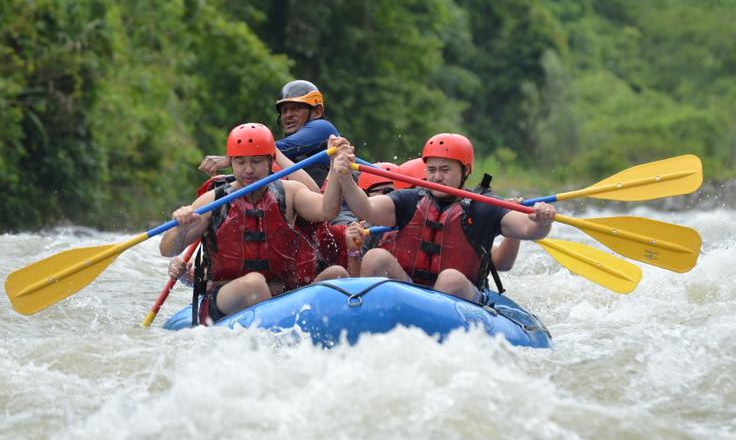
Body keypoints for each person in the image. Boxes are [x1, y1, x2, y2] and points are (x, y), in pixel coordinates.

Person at [324, 133, 557, 303]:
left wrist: (541, 220)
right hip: (409, 290)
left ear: (465, 171)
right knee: (375, 257)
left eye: (445, 170)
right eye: (432, 169)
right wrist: (344, 178)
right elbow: (365, 209)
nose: (436, 177)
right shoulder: (410, 199)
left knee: (450, 279)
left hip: (460, 298)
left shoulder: (484, 207)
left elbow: (528, 230)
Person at [160, 123, 351, 324]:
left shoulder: (290, 192)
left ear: (270, 160)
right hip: (229, 298)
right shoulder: (213, 200)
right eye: (241, 162)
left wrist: (336, 170)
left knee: (336, 275)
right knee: (254, 284)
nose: (248, 170)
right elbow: (167, 249)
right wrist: (180, 227)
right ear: (231, 163)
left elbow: (327, 211)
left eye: (256, 161)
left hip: (285, 296)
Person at [199, 80, 340, 187]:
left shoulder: (323, 128)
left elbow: (282, 147)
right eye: (284, 111)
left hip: (341, 213)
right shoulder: (282, 155)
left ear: (317, 112)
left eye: (296, 109)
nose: (288, 115)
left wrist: (230, 158)